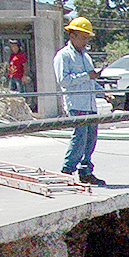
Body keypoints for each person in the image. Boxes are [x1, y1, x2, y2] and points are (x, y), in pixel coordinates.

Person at [54, 16, 104, 185]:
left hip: (90, 105)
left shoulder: (86, 57)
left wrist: (102, 92)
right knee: (79, 138)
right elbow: (64, 81)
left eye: (87, 38)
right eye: (82, 37)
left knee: (91, 139)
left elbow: (92, 80)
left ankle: (86, 171)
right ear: (72, 36)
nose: (85, 41)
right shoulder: (64, 56)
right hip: (76, 104)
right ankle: (67, 170)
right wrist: (86, 76)